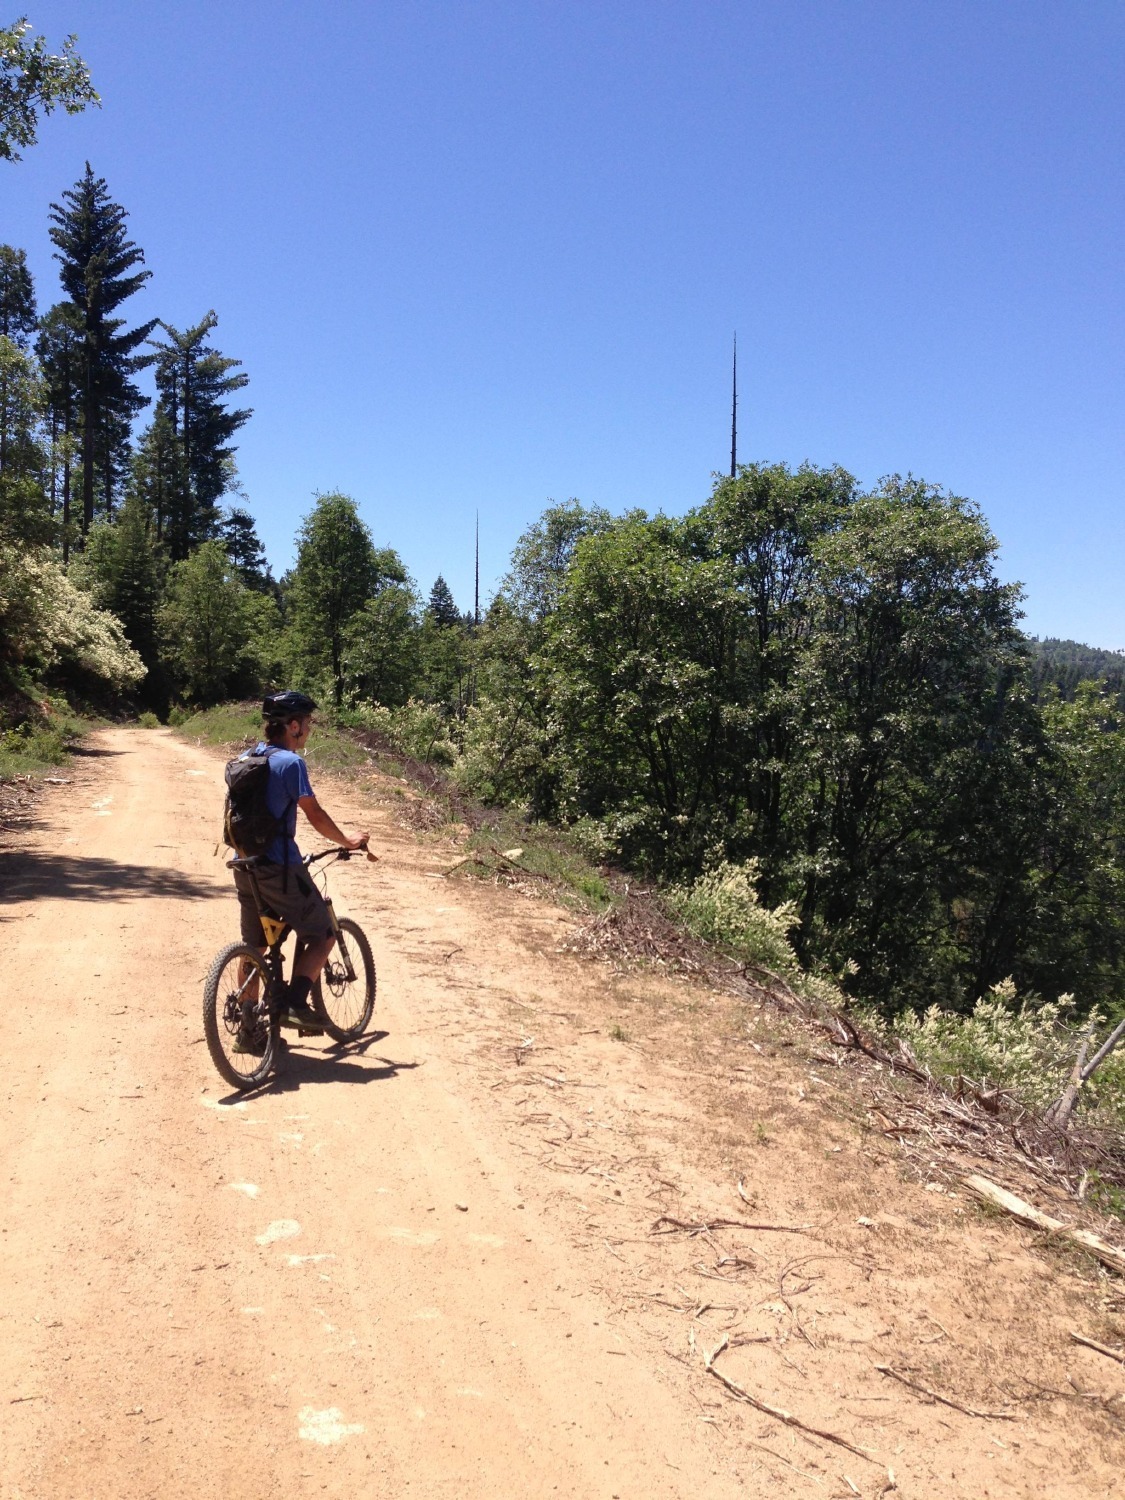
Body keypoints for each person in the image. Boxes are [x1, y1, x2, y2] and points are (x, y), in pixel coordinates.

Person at [231, 690, 369, 1039]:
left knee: (256, 946)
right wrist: (347, 841)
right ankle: (294, 1004)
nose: (309, 730)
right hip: (279, 869)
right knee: (322, 933)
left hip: (244, 866)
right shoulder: (291, 764)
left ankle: (249, 1030)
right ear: (293, 726)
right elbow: (314, 813)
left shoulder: (245, 758)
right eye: (307, 723)